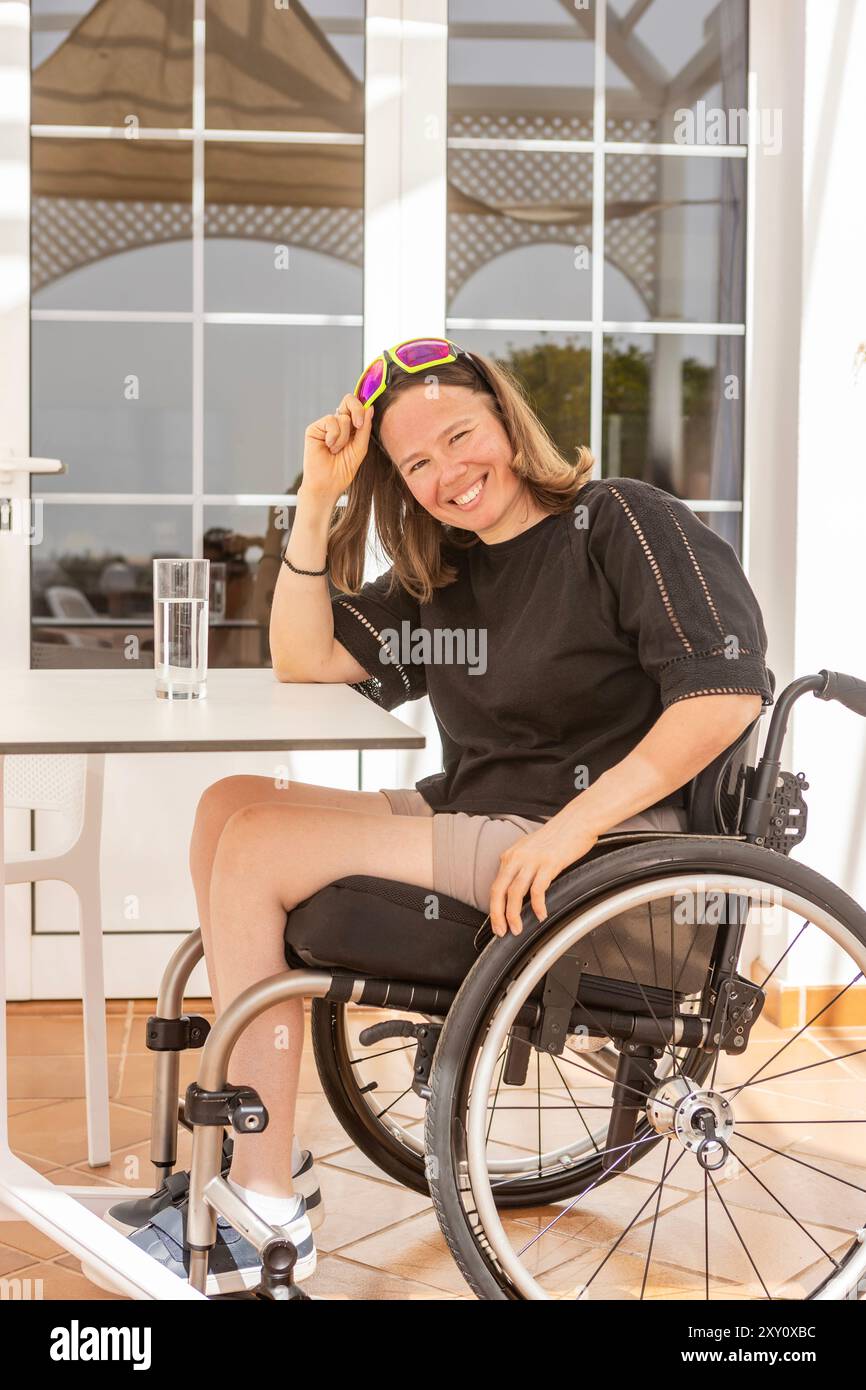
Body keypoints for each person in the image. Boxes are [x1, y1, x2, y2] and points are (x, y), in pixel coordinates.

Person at [97, 337, 775, 1295]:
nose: (449, 474)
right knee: (228, 806)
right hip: (487, 816)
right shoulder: (449, 571)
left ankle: (263, 1208)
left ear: (506, 419)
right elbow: (307, 658)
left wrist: (572, 827)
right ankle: (258, 1164)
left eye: (461, 436)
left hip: (592, 854)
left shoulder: (619, 518)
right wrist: (321, 495)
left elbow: (724, 693)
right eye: (416, 463)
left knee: (256, 847)